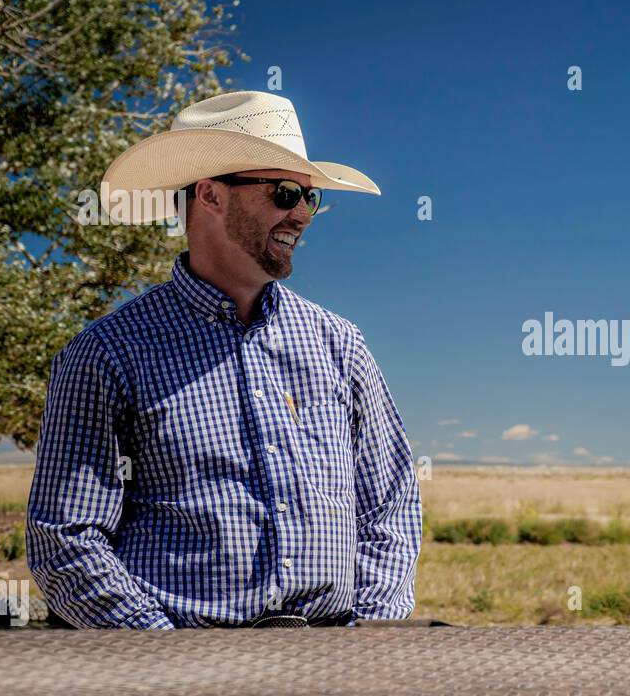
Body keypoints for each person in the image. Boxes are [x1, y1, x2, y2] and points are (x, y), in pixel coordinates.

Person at [27, 91, 421, 628]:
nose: (302, 214)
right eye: (286, 193)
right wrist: (169, 661)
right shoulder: (107, 355)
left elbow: (390, 505)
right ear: (210, 195)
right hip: (178, 673)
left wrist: (365, 639)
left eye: (312, 199)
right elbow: (66, 538)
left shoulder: (339, 344)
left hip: (338, 664)